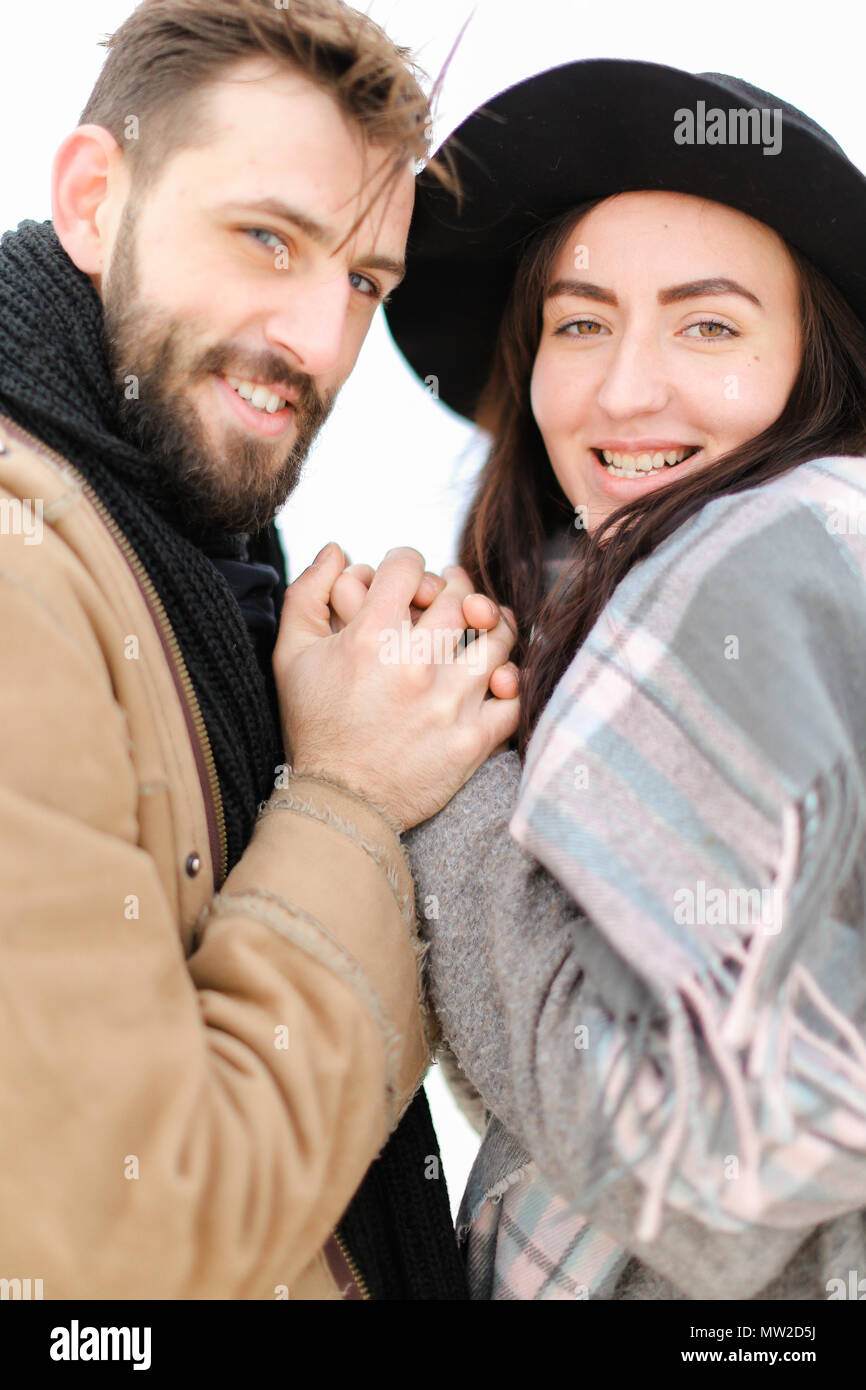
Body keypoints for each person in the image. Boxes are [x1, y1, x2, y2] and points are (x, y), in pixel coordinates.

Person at [0, 0, 521, 1300]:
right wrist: (348, 795)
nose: (317, 340)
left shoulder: (190, 560)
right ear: (90, 197)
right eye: (265, 239)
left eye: (361, 281)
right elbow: (140, 1232)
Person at [384, 59, 866, 1298]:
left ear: (819, 365)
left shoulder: (761, 560)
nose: (622, 388)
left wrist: (427, 777)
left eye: (708, 323)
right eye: (581, 321)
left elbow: (702, 1166)